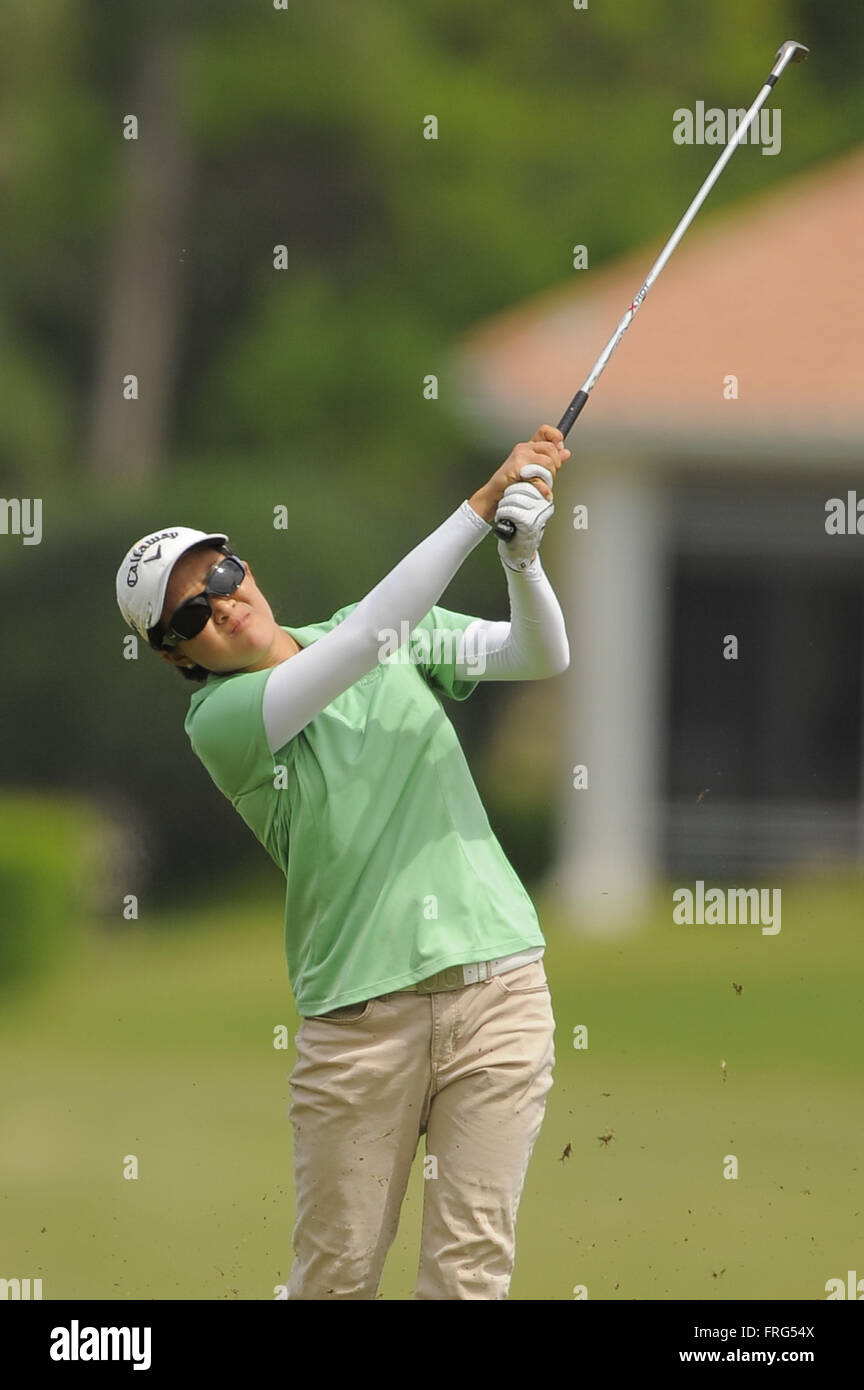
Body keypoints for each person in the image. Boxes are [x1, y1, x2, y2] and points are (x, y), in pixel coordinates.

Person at [115, 423, 571, 1300]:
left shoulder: (384, 632)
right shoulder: (224, 722)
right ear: (177, 654)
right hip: (362, 1030)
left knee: (469, 1278)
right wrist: (481, 505)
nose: (221, 603)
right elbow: (366, 640)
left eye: (218, 574)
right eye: (189, 615)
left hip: (499, 993)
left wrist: (521, 560)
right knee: (336, 1282)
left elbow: (541, 654)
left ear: (241, 565)